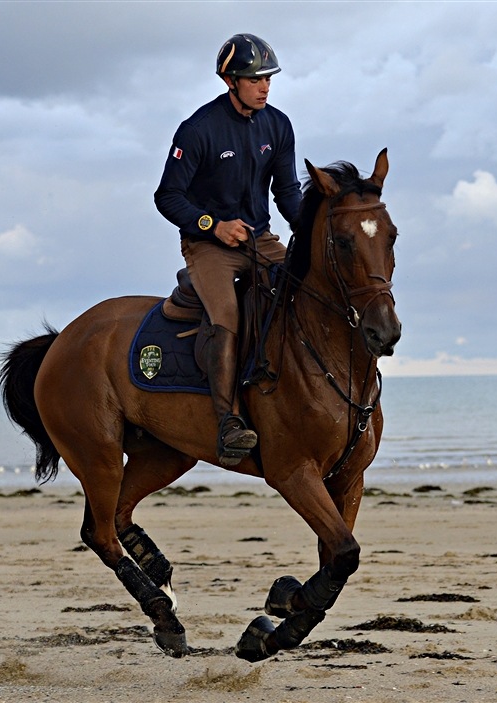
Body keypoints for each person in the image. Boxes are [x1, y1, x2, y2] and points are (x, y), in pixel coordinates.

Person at [154, 33, 302, 465]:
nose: (264, 87)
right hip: (208, 246)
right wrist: (213, 226)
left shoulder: (279, 125)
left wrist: (310, 230)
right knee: (227, 317)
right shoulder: (197, 130)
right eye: (255, 79)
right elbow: (167, 197)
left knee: (309, 289)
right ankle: (228, 421)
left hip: (260, 240)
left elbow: (288, 193)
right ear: (230, 81)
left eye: (268, 79)